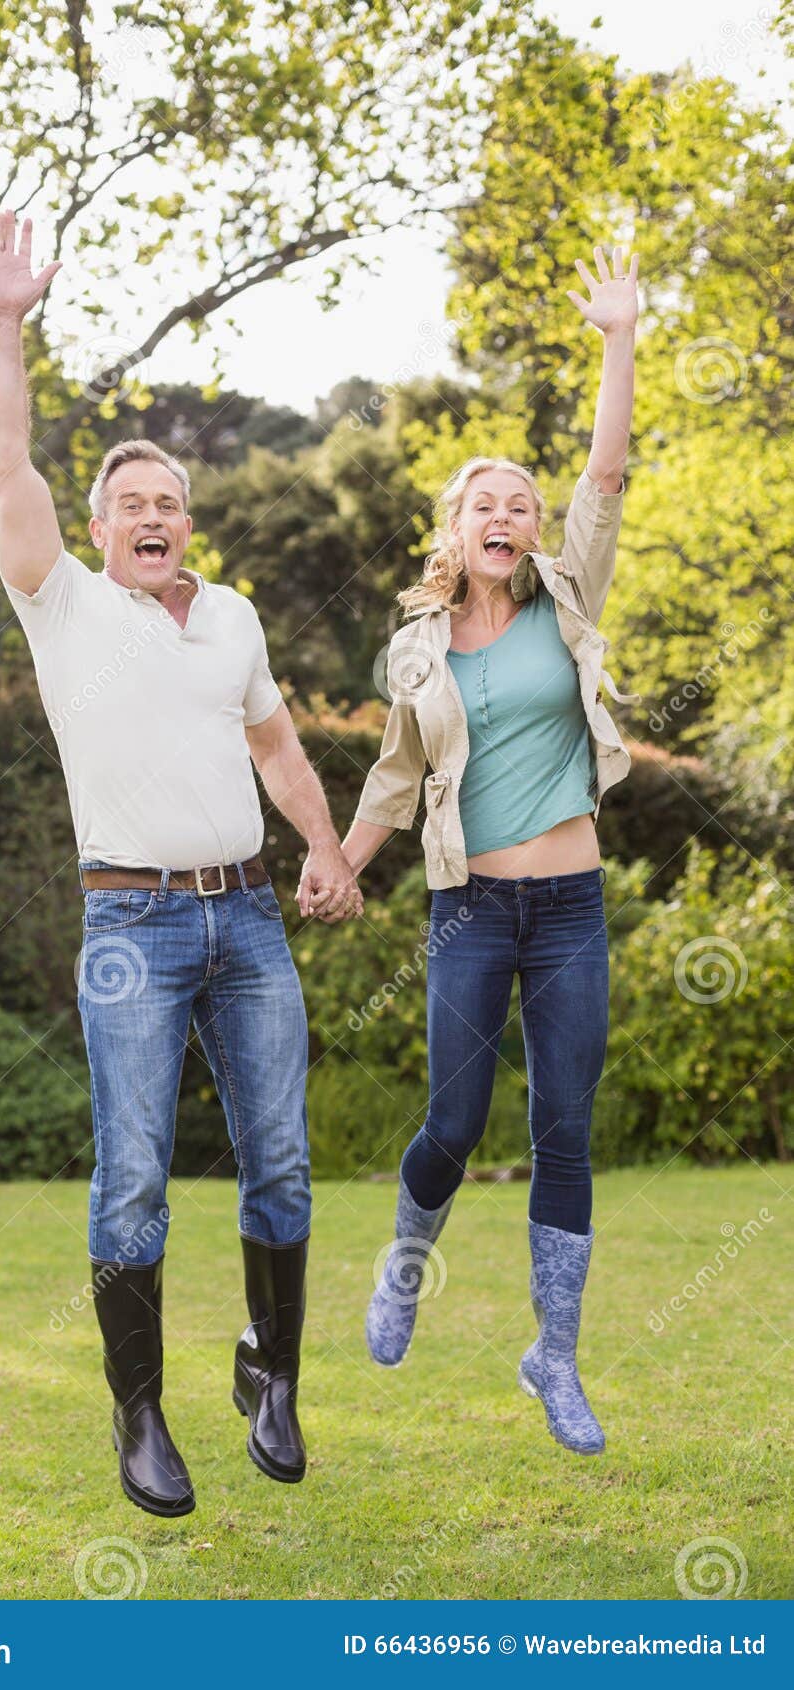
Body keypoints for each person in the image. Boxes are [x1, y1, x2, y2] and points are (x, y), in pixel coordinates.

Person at [0, 209, 361, 1517]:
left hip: (247, 920)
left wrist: (322, 844)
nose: (154, 517)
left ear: (189, 521)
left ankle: (272, 1374)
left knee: (282, 1160)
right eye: (130, 504)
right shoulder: (63, 603)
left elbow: (278, 746)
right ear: (93, 529)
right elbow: (6, 459)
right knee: (132, 1171)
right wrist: (4, 320)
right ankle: (138, 1417)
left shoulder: (235, 616)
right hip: (130, 924)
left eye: (169, 503)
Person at [340, 247, 641, 1456]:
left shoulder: (569, 596)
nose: (508, 515)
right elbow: (396, 778)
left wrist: (616, 336)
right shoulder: (417, 651)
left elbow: (606, 472)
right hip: (467, 912)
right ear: (453, 534)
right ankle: (403, 1263)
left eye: (520, 502)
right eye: (486, 504)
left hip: (568, 904)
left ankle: (552, 1357)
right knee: (453, 1126)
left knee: (562, 1127)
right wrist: (342, 860)